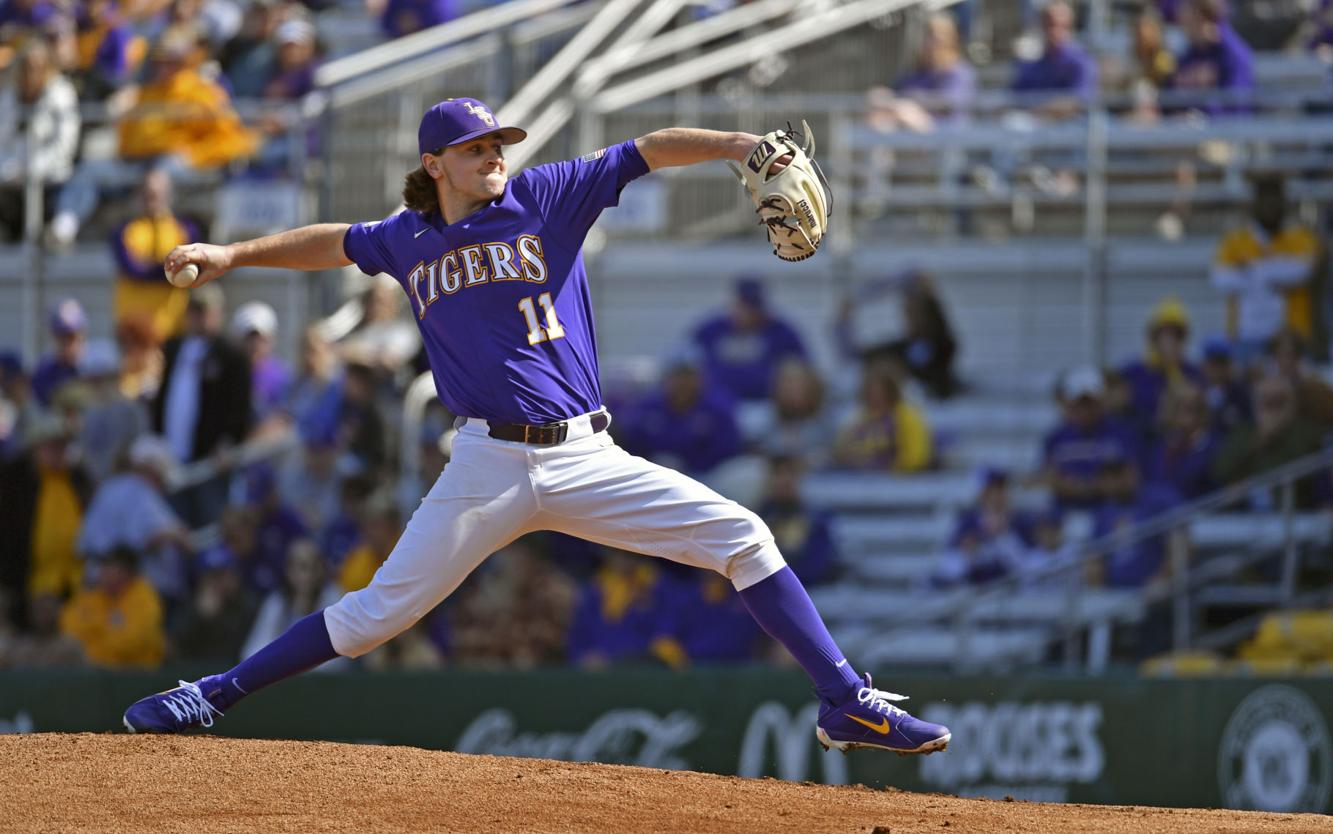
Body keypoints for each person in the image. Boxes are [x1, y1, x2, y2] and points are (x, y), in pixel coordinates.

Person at [122, 96, 950, 755]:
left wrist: (738, 144)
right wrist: (230, 255)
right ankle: (209, 695)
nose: (495, 156)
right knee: (378, 615)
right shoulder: (406, 237)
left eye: (498, 144)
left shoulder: (545, 194)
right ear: (435, 163)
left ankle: (845, 703)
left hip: (587, 455)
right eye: (478, 147)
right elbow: (333, 243)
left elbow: (646, 149)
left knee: (743, 538)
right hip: (484, 464)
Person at [1211, 173, 1323, 363]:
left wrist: (1250, 268)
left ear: (1284, 201)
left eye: (1275, 198)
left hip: (1292, 339)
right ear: (1254, 203)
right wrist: (1277, 269)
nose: (1270, 205)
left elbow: (1305, 271)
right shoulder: (1235, 240)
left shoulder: (1301, 237)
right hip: (1244, 335)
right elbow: (1220, 279)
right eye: (1265, 198)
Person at [0, 39, 80, 242]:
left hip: (52, 177)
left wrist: (35, 167)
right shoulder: (9, 96)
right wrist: (12, 168)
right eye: (27, 67)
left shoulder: (62, 94)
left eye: (37, 67)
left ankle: (53, 235)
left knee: (81, 184)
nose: (31, 73)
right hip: (12, 178)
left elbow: (64, 145)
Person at [110, 168, 199, 343]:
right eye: (147, 194)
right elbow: (134, 271)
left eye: (157, 193)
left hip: (173, 327)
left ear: (169, 194)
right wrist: (171, 269)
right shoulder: (124, 230)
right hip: (134, 331)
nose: (152, 199)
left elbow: (196, 267)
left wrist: (153, 267)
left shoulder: (184, 229)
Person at [691, 277, 808, 404]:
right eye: (745, 307)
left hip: (769, 404)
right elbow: (686, 360)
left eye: (754, 308)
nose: (750, 313)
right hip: (718, 405)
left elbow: (803, 367)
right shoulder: (712, 331)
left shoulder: (781, 333)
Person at [1042, 366, 1140, 512]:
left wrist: (1085, 487)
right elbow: (1047, 477)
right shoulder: (1057, 437)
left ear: (1101, 401)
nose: (1085, 410)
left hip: (1109, 510)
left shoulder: (1121, 433)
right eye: (1080, 404)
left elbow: (1131, 478)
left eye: (1090, 403)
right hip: (1065, 512)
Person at [60, 546, 167, 669]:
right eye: (103, 568)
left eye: (109, 569)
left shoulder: (144, 598)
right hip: (91, 670)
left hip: (136, 673)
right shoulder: (93, 595)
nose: (102, 574)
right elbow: (68, 629)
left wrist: (95, 642)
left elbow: (135, 642)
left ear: (125, 572)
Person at [1011, 1, 1097, 119]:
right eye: (1050, 25)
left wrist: (1039, 111)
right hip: (1034, 129)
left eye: (1063, 26)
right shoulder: (1031, 65)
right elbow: (1015, 98)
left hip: (1070, 130)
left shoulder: (1082, 62)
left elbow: (1078, 101)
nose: (1055, 31)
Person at [1168, 0, 1254, 115]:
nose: (1179, 18)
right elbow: (1171, 102)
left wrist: (1202, 112)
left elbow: (1237, 108)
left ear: (1198, 14)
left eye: (1184, 11)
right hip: (1188, 129)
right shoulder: (1187, 54)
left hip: (1224, 130)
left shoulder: (1233, 54)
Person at [32, 298, 87, 407]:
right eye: (61, 337)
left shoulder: (96, 368)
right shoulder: (44, 371)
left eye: (71, 337)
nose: (66, 343)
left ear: (82, 335)